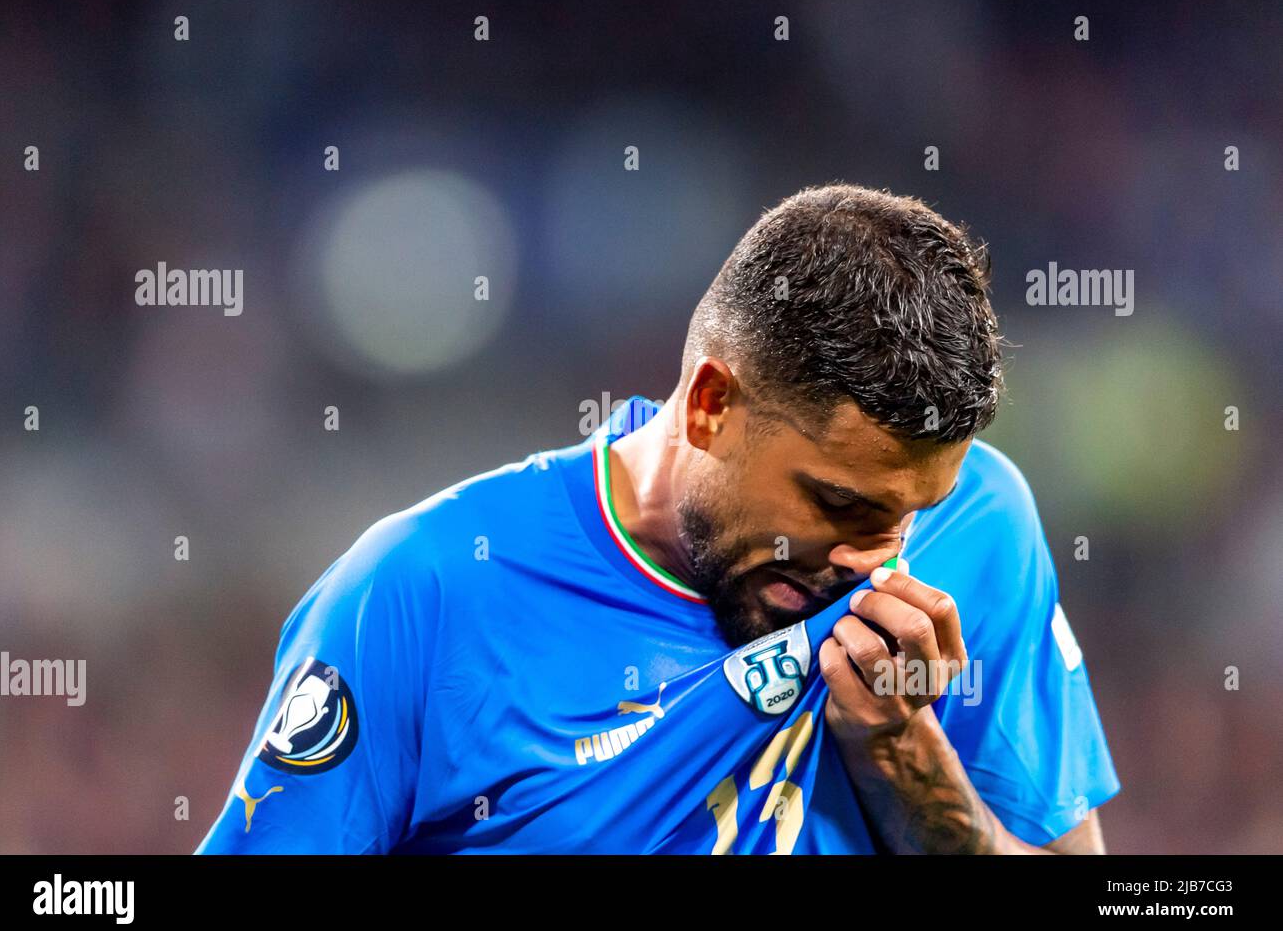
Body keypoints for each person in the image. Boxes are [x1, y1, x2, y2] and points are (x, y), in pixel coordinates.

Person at [198, 183, 1119, 854]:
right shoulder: (422, 591)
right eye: (837, 504)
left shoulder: (985, 527)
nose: (877, 558)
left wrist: (903, 755)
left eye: (915, 511)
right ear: (712, 403)